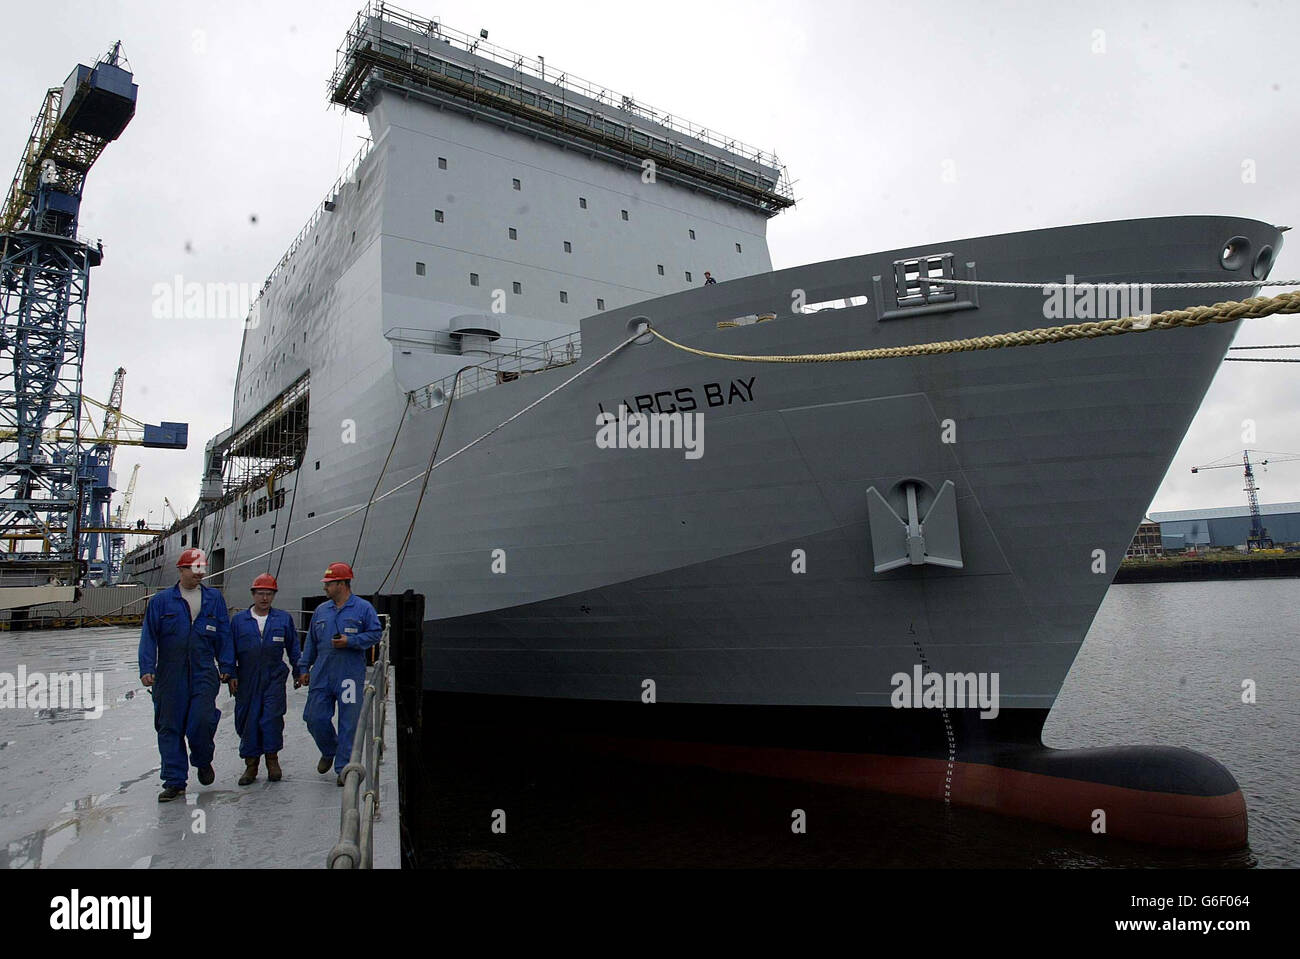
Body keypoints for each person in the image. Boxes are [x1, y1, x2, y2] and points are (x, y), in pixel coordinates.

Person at [138, 547, 234, 802]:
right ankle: (174, 781)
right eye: (193, 569)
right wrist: (146, 668)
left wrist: (227, 665)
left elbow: (224, 633)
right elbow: (149, 637)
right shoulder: (161, 602)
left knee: (201, 721)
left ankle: (203, 760)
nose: (198, 574)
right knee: (169, 727)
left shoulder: (214, 599)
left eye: (201, 569)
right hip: (170, 674)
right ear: (180, 570)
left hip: (203, 670)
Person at [299, 562, 382, 785]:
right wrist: (303, 668)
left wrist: (351, 641)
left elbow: (375, 633)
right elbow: (311, 642)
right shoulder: (321, 610)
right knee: (314, 718)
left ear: (342, 584)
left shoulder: (363, 608)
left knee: (349, 721)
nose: (325, 587)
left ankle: (343, 768)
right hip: (322, 673)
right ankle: (329, 750)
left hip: (348, 675)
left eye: (329, 583)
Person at [229, 573, 302, 785]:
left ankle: (272, 760)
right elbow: (229, 649)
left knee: (271, 719)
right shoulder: (239, 621)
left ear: (273, 595)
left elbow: (293, 648)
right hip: (247, 678)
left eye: (268, 594)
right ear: (253, 594)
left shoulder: (283, 619)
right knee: (248, 721)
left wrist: (299, 670)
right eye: (260, 593)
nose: (264, 598)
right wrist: (230, 673)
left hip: (274, 677)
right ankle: (251, 765)